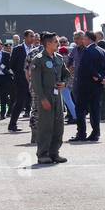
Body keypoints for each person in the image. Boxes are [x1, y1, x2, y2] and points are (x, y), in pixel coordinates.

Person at [30, 31, 69, 165]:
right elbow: (36, 82)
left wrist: (64, 83)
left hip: (57, 97)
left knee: (58, 126)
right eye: (55, 42)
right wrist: (42, 99)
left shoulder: (59, 58)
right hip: (45, 97)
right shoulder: (38, 59)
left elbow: (66, 74)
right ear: (47, 43)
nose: (58, 44)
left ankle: (54, 153)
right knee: (46, 126)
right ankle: (43, 154)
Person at [72, 32, 105, 142]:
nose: (83, 40)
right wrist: (102, 78)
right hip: (97, 85)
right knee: (95, 109)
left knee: (80, 109)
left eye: (84, 38)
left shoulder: (87, 51)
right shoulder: (102, 51)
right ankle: (96, 133)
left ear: (88, 39)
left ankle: (81, 133)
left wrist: (97, 76)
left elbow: (87, 67)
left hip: (86, 84)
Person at [6, 30, 37, 132]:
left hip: (34, 80)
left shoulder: (36, 49)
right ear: (25, 37)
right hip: (21, 80)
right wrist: (20, 75)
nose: (33, 38)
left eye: (33, 36)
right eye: (31, 36)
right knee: (20, 102)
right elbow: (12, 65)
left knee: (35, 102)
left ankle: (36, 124)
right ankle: (12, 124)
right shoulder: (17, 49)